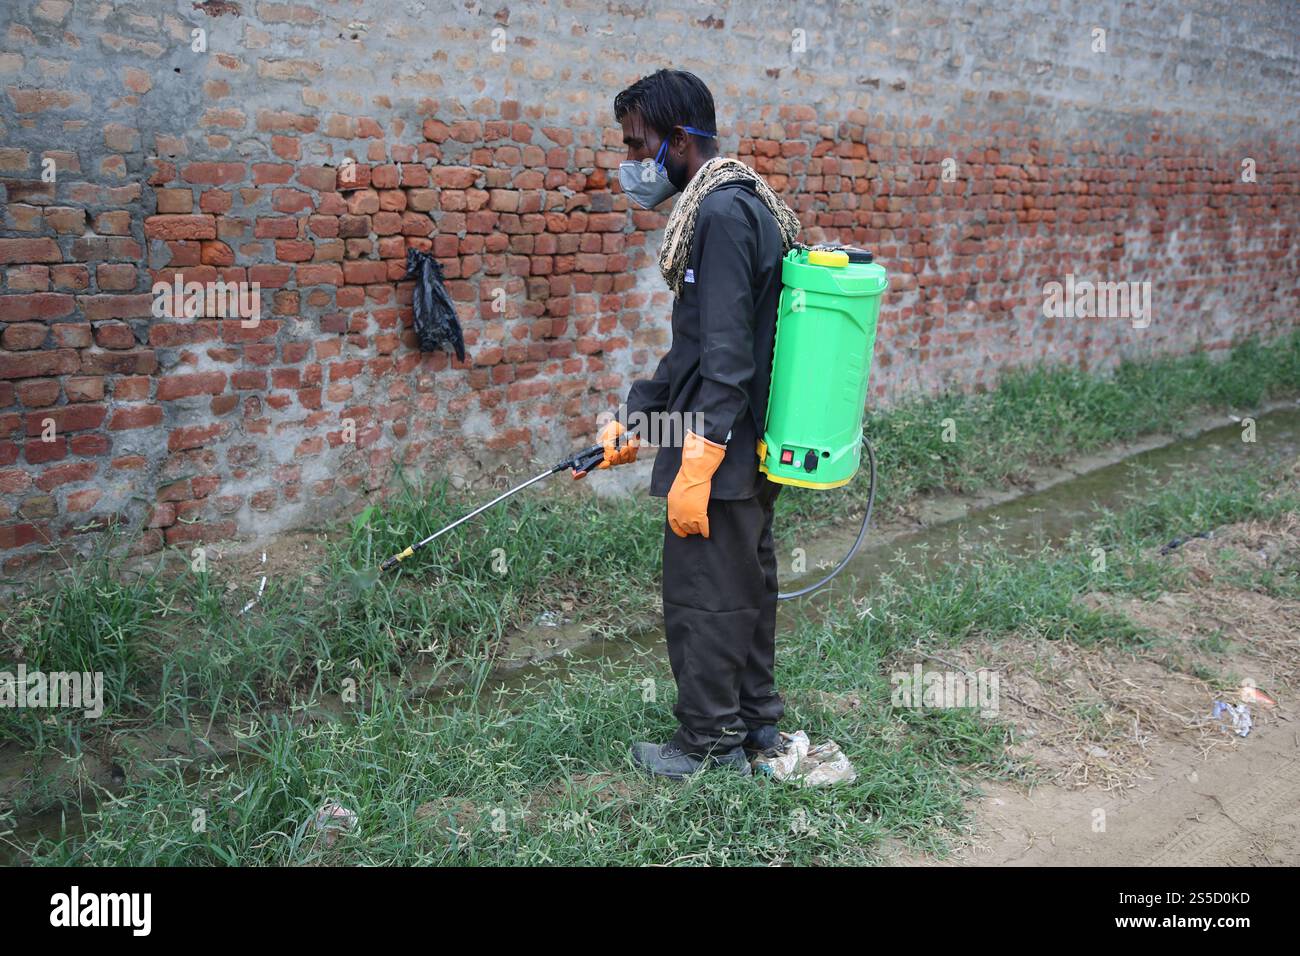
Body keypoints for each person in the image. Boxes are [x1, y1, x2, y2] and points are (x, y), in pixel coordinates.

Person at [577, 69, 802, 779]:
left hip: (722, 447)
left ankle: (706, 746)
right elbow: (696, 346)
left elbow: (729, 358)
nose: (632, 161)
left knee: (704, 597)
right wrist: (636, 420)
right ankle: (757, 727)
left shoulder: (722, 215)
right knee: (743, 587)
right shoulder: (734, 205)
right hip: (732, 439)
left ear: (679, 140)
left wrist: (697, 462)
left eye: (637, 144)